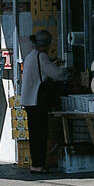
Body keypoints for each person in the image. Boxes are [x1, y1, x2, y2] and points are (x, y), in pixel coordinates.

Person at [20, 29, 70, 172]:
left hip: (29, 100)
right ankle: (38, 165)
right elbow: (55, 73)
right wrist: (67, 72)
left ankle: (35, 163)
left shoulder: (31, 56)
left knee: (35, 134)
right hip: (37, 100)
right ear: (46, 44)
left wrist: (53, 62)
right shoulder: (41, 56)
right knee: (40, 134)